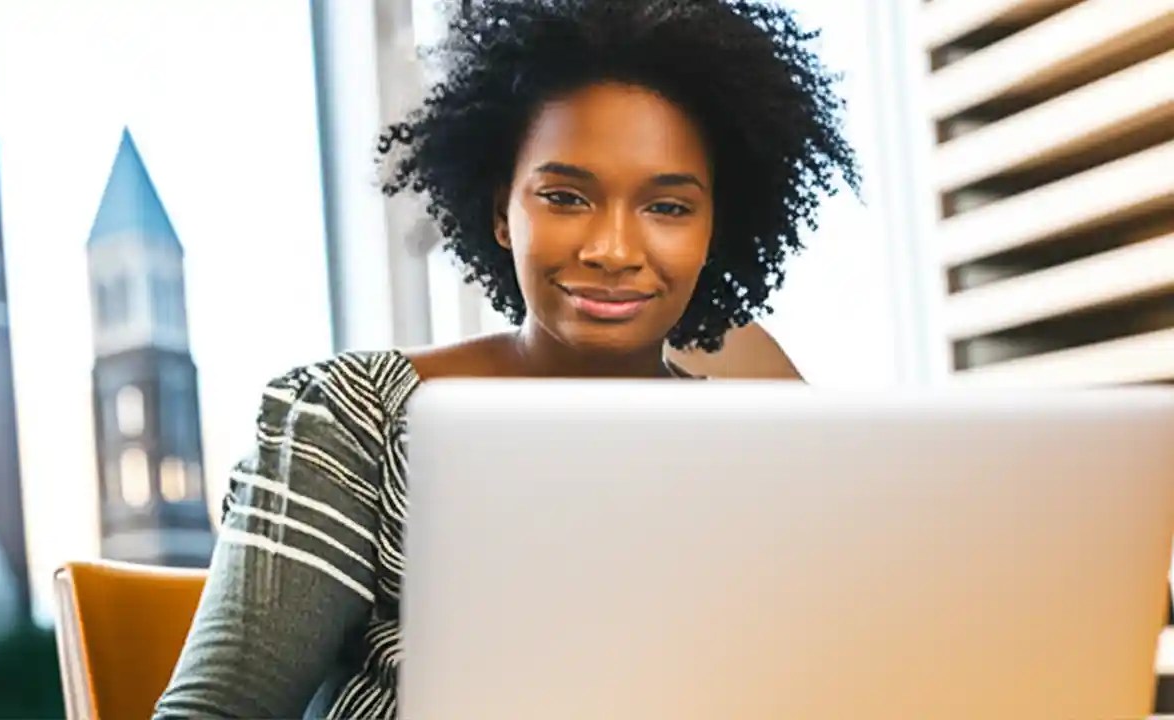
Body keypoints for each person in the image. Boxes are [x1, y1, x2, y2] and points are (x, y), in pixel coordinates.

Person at [154, 0, 858, 717]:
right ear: (501, 212)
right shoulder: (355, 418)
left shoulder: (758, 432)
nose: (613, 249)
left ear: (715, 229)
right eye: (564, 197)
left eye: (668, 208)